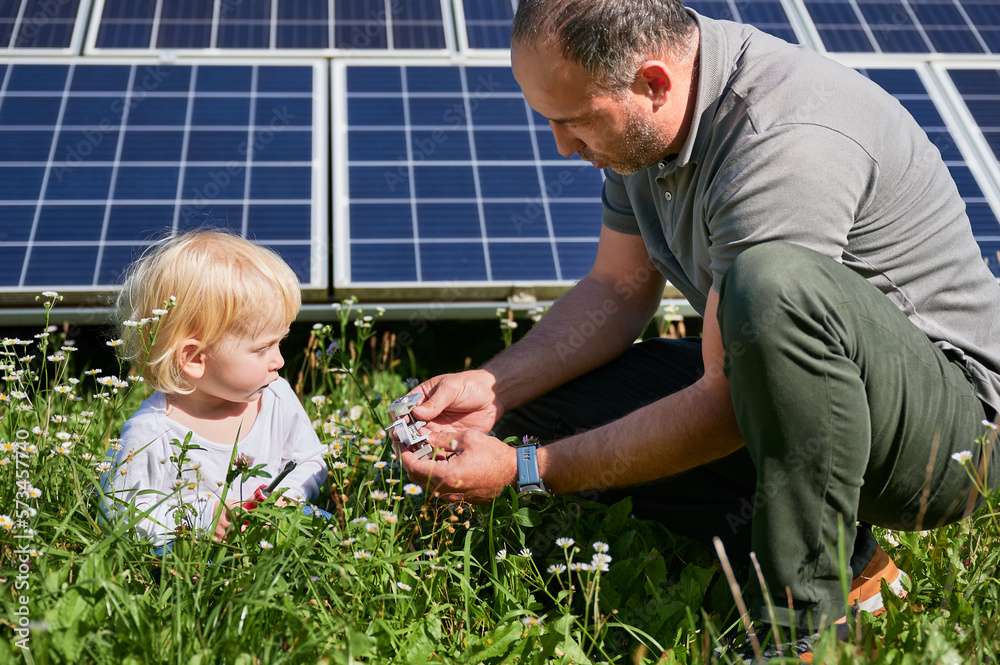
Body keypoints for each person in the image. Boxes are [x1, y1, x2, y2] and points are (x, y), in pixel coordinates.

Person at [396, 0, 1000, 650]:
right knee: (525, 418)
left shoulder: (781, 137)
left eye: (573, 121)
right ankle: (858, 573)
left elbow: (724, 408)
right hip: (797, 390)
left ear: (654, 81)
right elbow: (616, 292)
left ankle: (809, 617)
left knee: (769, 288)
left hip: (952, 433)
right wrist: (493, 387)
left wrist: (528, 469)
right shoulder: (645, 129)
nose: (562, 146)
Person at [101, 231, 328, 546]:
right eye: (263, 348)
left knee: (322, 528)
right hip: (197, 552)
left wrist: (287, 498)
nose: (278, 360)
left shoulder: (276, 397)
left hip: (274, 531)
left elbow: (310, 460)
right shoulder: (151, 432)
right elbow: (119, 512)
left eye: (281, 342)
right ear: (194, 358)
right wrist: (204, 520)